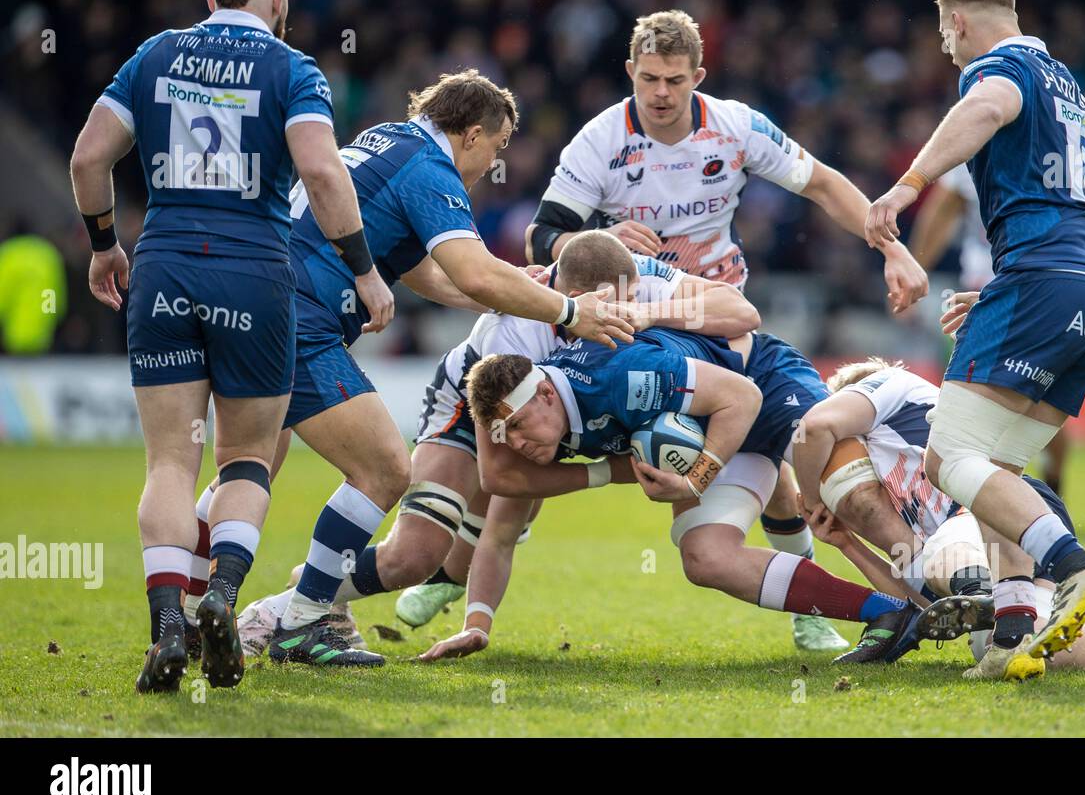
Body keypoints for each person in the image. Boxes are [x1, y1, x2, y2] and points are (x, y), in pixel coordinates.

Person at [184, 75, 638, 668]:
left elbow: (424, 269)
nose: (491, 164)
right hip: (297, 316)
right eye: (495, 148)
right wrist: (571, 309)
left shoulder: (386, 141)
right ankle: (301, 623)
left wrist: (507, 294)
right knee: (383, 470)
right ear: (472, 134)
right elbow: (472, 270)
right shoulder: (431, 167)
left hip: (249, 300)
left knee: (249, 466)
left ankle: (187, 615)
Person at [522, 11, 930, 649]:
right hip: (646, 335)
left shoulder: (735, 127)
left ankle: (939, 583)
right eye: (648, 78)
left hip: (720, 321)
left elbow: (822, 184)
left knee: (811, 457)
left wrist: (892, 252)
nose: (660, 93)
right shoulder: (599, 140)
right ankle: (455, 565)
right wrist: (591, 238)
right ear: (629, 72)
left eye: (675, 81)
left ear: (698, 78)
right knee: (537, 422)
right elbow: (539, 237)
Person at [69, 0, 394, 693]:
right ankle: (220, 596)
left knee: (170, 465)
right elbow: (319, 170)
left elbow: (89, 158)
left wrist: (102, 246)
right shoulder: (293, 68)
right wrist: (365, 272)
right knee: (245, 460)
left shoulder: (154, 55)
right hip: (253, 274)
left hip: (163, 266)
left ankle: (165, 633)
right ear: (279, 0)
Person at [235, 229, 757, 656]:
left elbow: (740, 312)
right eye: (609, 310)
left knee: (464, 563)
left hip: (546, 416)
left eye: (629, 305)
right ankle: (277, 612)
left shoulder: (634, 286)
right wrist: (614, 471)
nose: (620, 321)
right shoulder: (515, 330)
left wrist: (653, 315)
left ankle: (329, 587)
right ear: (571, 298)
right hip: (474, 411)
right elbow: (502, 474)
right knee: (414, 556)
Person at [865, 0, 1085, 679]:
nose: (946, 49)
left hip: (1042, 284)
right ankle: (1014, 636)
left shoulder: (1002, 67)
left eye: (943, 34)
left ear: (956, 22)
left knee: (945, 460)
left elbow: (985, 110)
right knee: (997, 466)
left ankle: (1073, 565)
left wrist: (906, 185)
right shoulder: (1072, 90)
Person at [417, 327, 922, 663]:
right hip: (712, 425)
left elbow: (741, 397)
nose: (520, 443)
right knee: (704, 559)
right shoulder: (543, 426)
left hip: (761, 384)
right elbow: (500, 531)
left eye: (521, 426)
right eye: (506, 436)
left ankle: (967, 584)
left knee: (846, 496)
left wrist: (696, 480)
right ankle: (888, 611)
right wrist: (477, 625)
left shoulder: (619, 377)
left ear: (547, 394)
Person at [794, 359, 1085, 677]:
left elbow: (815, 426)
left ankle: (981, 592)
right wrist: (847, 544)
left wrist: (811, 496)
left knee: (944, 548)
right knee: (1023, 646)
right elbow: (919, 599)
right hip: (972, 543)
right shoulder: (893, 506)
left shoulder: (886, 386)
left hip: (1000, 507)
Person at [909, 166, 1070, 494]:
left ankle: (1048, 480)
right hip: (980, 288)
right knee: (965, 396)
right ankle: (977, 497)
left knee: (1038, 396)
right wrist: (914, 270)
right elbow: (941, 212)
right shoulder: (971, 156)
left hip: (1032, 288)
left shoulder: (1043, 153)